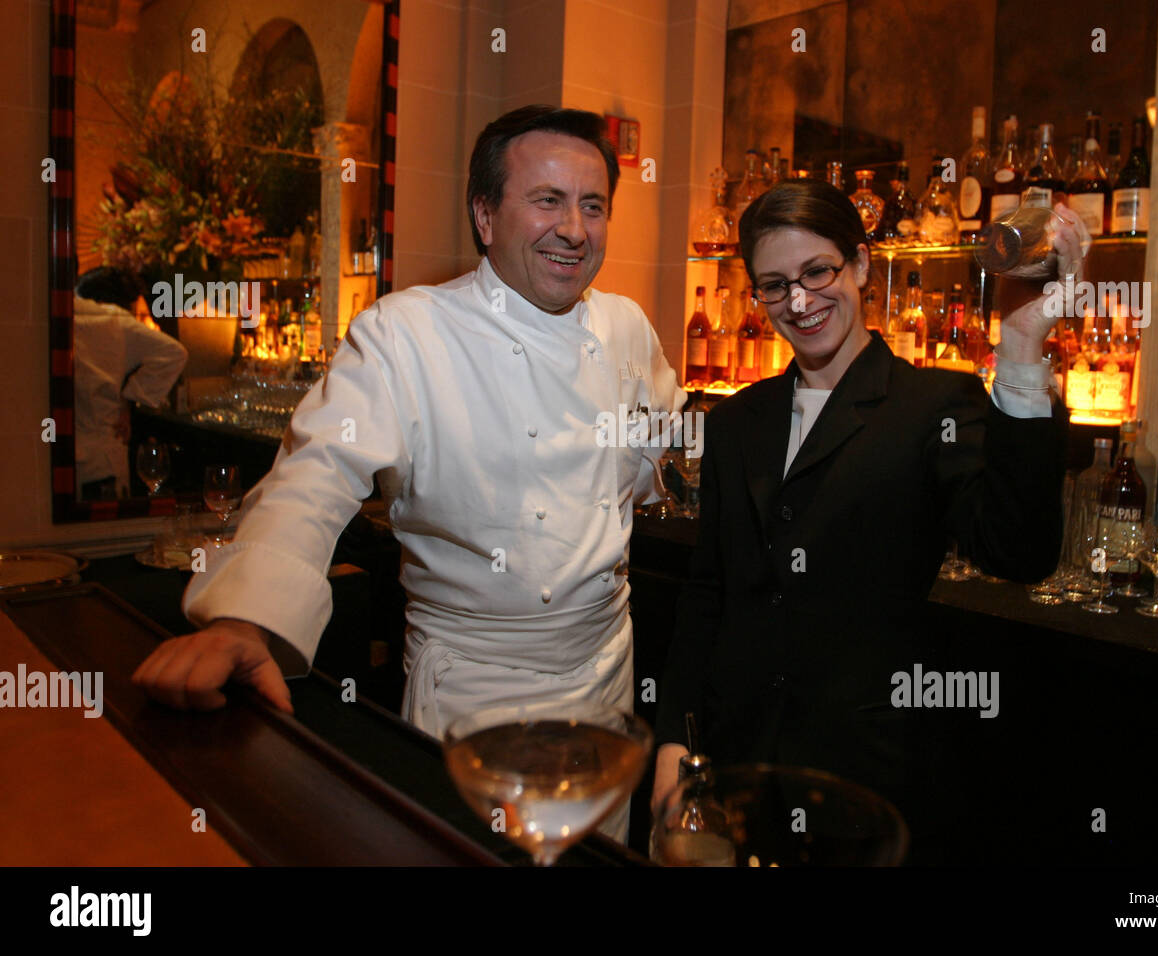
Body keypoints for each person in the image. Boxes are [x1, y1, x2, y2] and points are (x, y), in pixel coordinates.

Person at [131, 105, 685, 842]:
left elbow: (669, 450)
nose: (575, 230)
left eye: (593, 206)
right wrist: (245, 617)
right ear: (484, 217)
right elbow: (318, 468)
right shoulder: (405, 333)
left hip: (605, 683)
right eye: (547, 201)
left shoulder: (626, 327)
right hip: (473, 696)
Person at [650, 179, 1087, 858]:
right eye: (773, 285)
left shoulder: (934, 403)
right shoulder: (738, 420)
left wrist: (1024, 345)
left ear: (860, 265)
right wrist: (675, 743)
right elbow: (709, 592)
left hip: (859, 785)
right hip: (734, 778)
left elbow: (1019, 550)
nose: (798, 301)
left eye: (817, 271)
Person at [73, 267, 188, 500]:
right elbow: (174, 353)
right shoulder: (113, 320)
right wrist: (130, 397)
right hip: (105, 451)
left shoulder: (63, 318)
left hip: (63, 447)